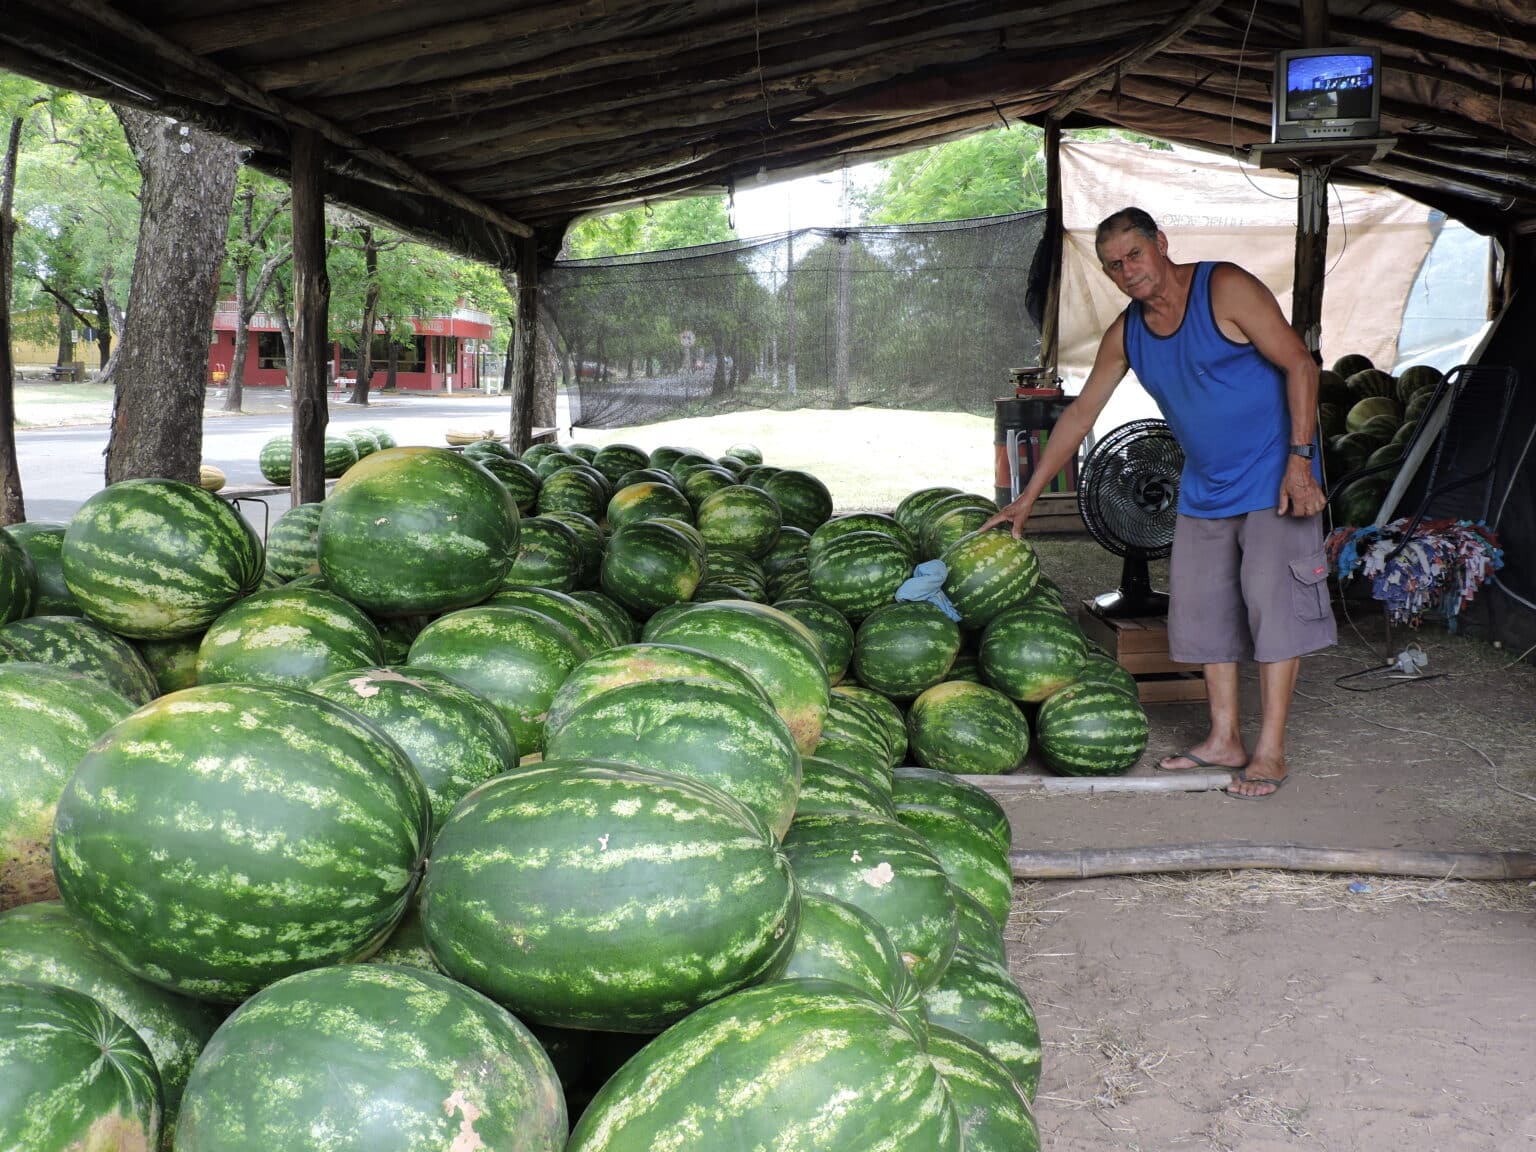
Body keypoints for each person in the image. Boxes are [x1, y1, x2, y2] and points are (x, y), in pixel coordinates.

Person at [983, 207, 1335, 799]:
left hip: (1275, 473)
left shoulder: (1223, 287)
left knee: (1276, 610)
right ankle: (1224, 739)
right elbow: (1079, 415)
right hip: (1203, 483)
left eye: (1135, 255)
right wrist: (1029, 497)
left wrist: (1301, 462)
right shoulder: (1128, 333)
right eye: (1113, 265)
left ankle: (1269, 751)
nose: (1127, 272)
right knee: (1203, 611)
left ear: (1160, 244)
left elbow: (1300, 363)